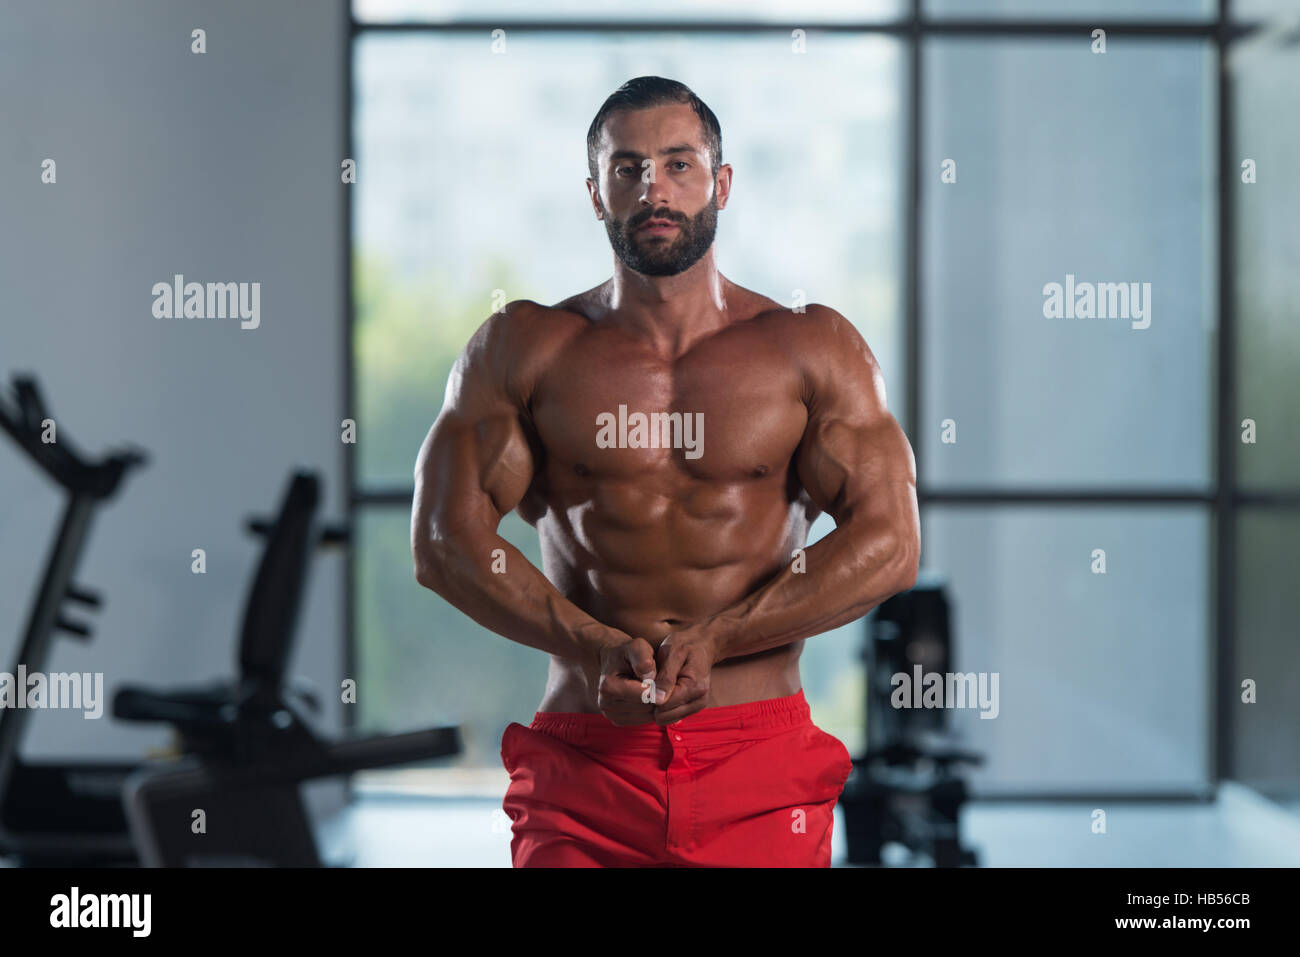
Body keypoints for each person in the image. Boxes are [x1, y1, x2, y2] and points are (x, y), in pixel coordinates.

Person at [412, 76, 919, 867]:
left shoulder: (811, 349)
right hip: (586, 762)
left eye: (680, 164)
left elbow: (890, 543)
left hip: (758, 762)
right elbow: (445, 540)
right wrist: (588, 642)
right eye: (628, 168)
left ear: (721, 183)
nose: (655, 188)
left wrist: (720, 639)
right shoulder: (524, 348)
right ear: (594, 194)